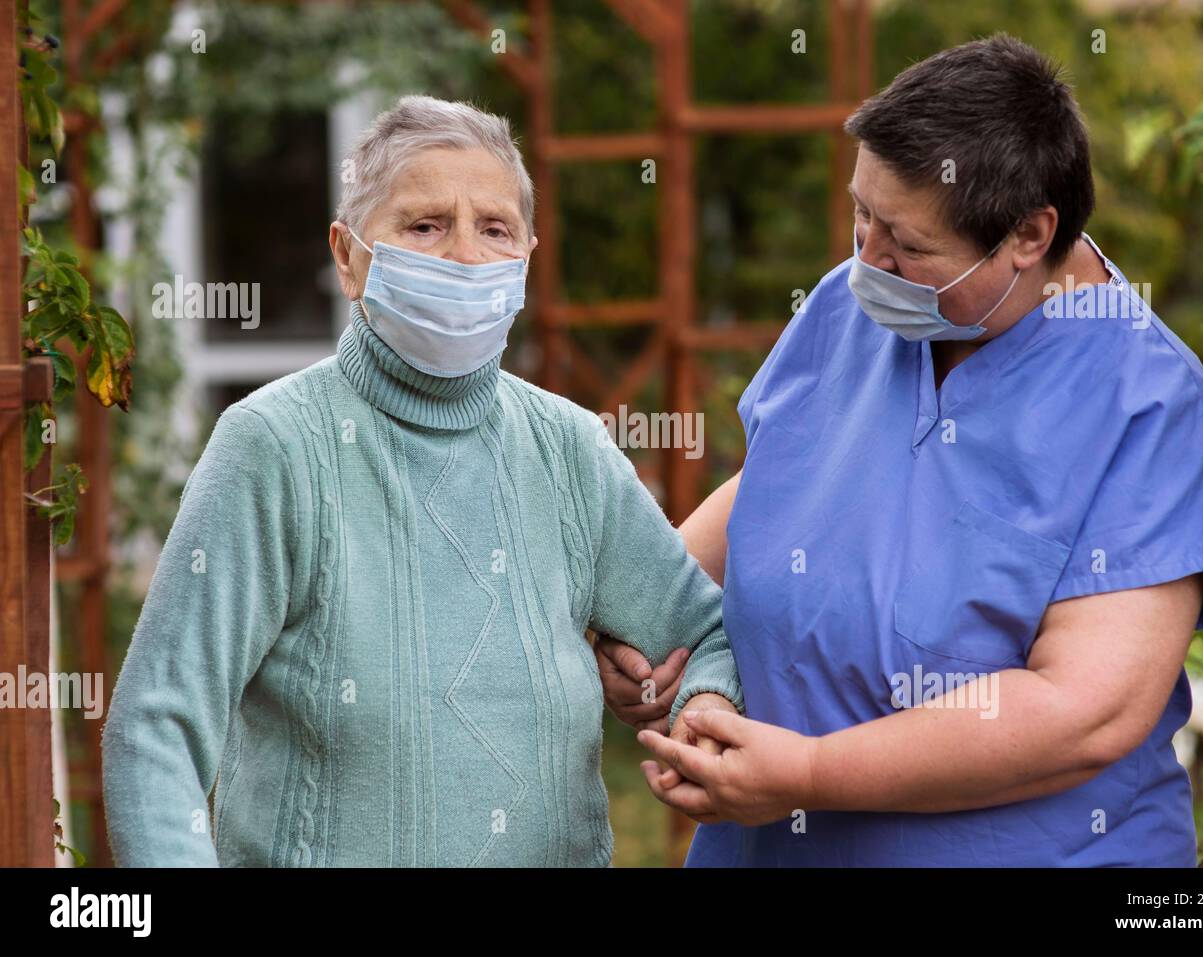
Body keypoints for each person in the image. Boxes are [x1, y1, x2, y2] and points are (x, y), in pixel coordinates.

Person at [602, 34, 1203, 867]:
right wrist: (646, 624)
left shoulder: (1147, 406)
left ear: (1027, 234)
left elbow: (1084, 710)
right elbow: (779, 483)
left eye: (905, 241)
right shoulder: (850, 303)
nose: (867, 258)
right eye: (860, 213)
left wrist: (808, 770)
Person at [101, 95, 743, 867]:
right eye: (425, 225)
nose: (466, 255)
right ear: (347, 254)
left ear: (529, 254)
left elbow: (709, 629)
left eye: (495, 228)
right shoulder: (272, 446)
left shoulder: (569, 448)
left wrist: (705, 699)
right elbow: (157, 727)